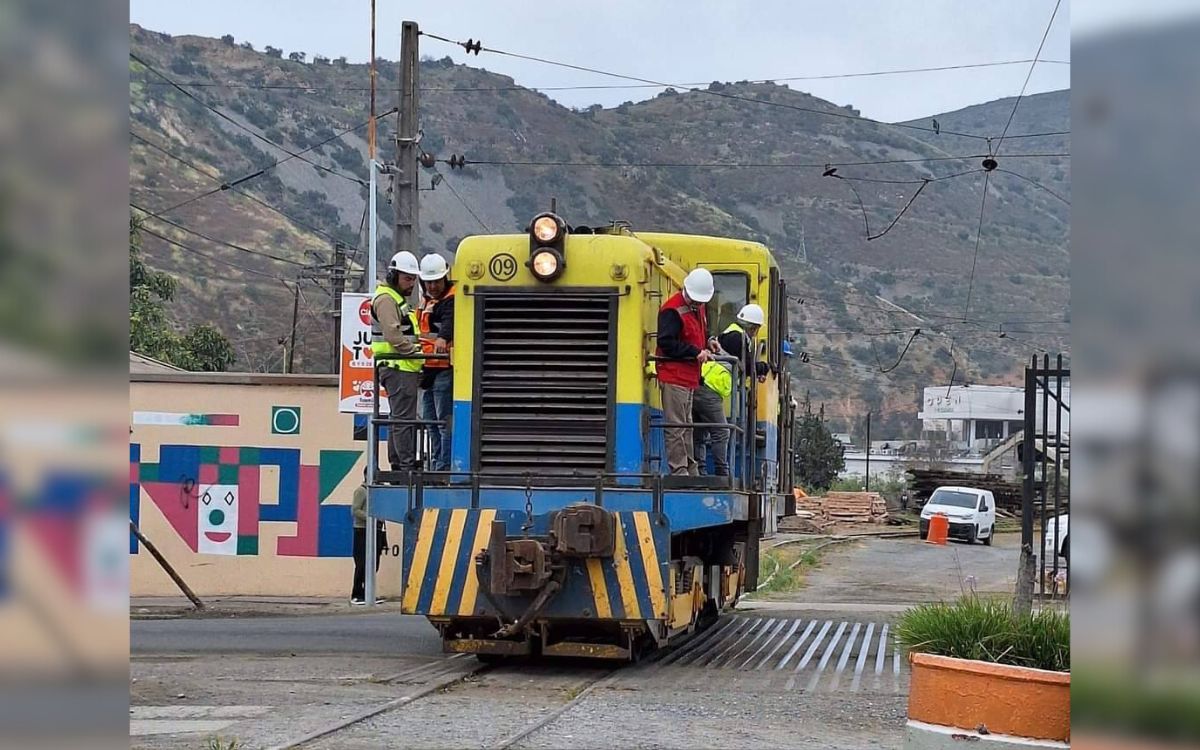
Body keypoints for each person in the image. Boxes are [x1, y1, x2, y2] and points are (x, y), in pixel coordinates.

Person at [655, 268, 714, 476]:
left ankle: (690, 468)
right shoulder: (672, 310)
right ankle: (679, 470)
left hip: (689, 377)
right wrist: (695, 352)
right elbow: (666, 343)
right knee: (676, 426)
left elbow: (696, 333)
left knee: (686, 426)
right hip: (674, 376)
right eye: (696, 301)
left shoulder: (698, 307)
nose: (698, 305)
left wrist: (709, 342)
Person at [371, 251, 423, 473]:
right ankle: (405, 466)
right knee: (403, 420)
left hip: (401, 367)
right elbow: (393, 336)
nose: (411, 283)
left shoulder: (394, 299)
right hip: (398, 367)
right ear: (394, 276)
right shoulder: (386, 300)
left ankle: (399, 463)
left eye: (413, 279)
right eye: (407, 278)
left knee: (398, 419)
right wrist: (416, 352)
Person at [418, 253, 455, 472]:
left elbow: (450, 321)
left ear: (445, 278)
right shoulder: (427, 302)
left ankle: (443, 465)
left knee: (443, 422)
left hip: (443, 370)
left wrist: (443, 338)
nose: (433, 285)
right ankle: (436, 463)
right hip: (428, 370)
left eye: (436, 281)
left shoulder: (451, 299)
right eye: (429, 281)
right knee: (431, 423)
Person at [350, 470, 387, 605]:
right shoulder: (361, 491)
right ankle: (357, 594)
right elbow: (355, 510)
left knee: (374, 564)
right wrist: (371, 517)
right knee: (361, 563)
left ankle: (368, 592)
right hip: (363, 530)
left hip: (376, 530)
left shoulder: (377, 492)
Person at [693, 355, 733, 476]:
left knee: (698, 432)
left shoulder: (720, 345)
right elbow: (746, 363)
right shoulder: (739, 341)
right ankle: (722, 471)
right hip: (709, 389)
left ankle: (699, 470)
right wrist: (761, 368)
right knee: (721, 431)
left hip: (696, 385)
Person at [718, 303, 769, 384]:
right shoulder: (737, 338)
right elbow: (747, 366)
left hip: (717, 382)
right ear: (753, 328)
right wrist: (764, 367)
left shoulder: (734, 333)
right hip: (715, 383)